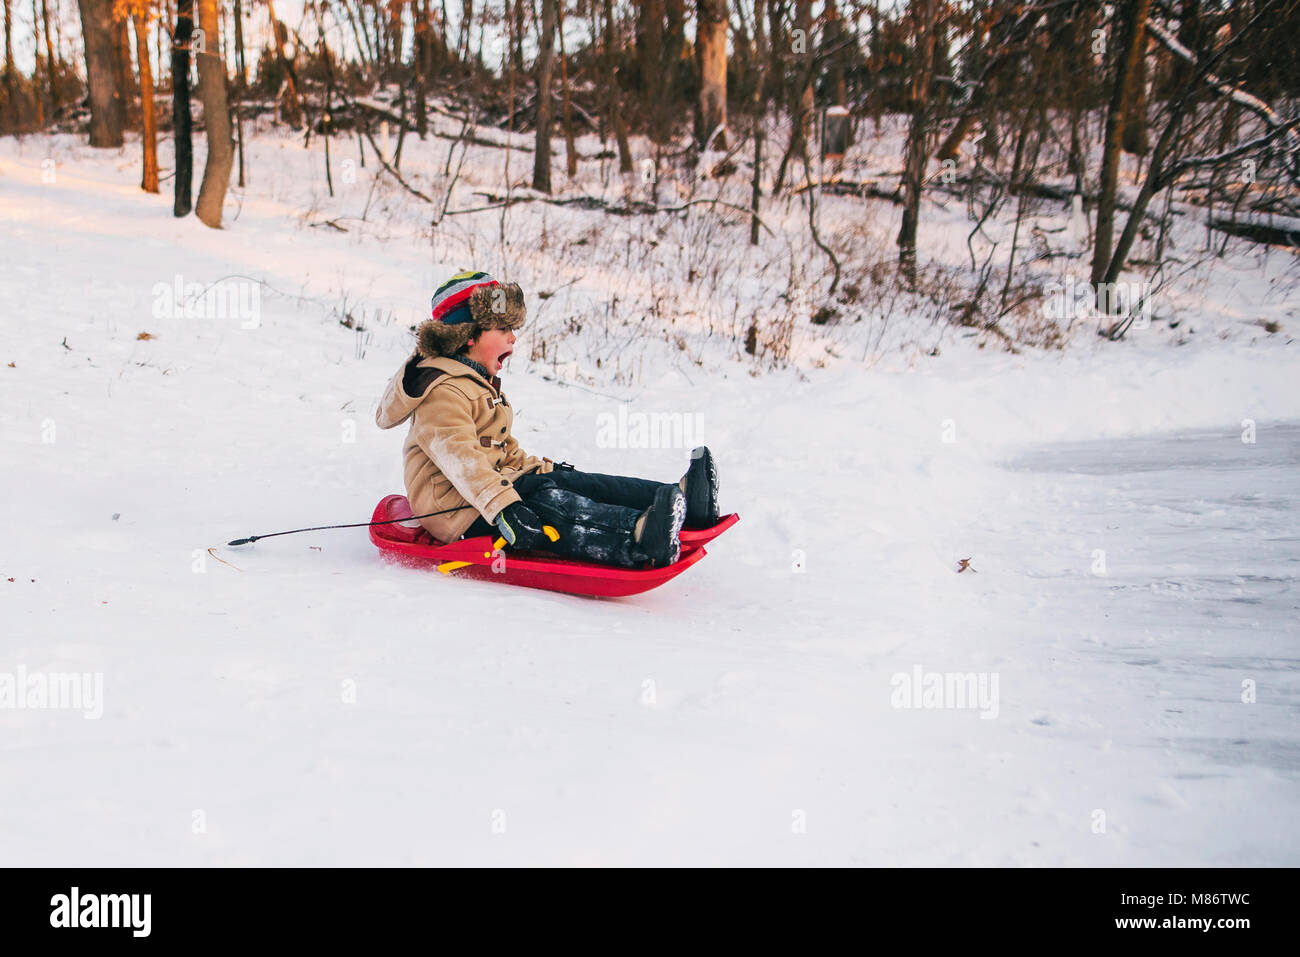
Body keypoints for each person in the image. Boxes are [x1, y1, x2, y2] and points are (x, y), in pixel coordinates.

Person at [375, 271, 720, 568]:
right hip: (460, 512)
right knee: (554, 507)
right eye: (502, 327)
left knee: (578, 483)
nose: (513, 337)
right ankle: (640, 533)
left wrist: (541, 470)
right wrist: (504, 508)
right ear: (466, 335)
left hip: (495, 490)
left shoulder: (477, 383)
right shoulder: (441, 391)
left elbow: (500, 449)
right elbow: (463, 462)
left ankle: (680, 499)